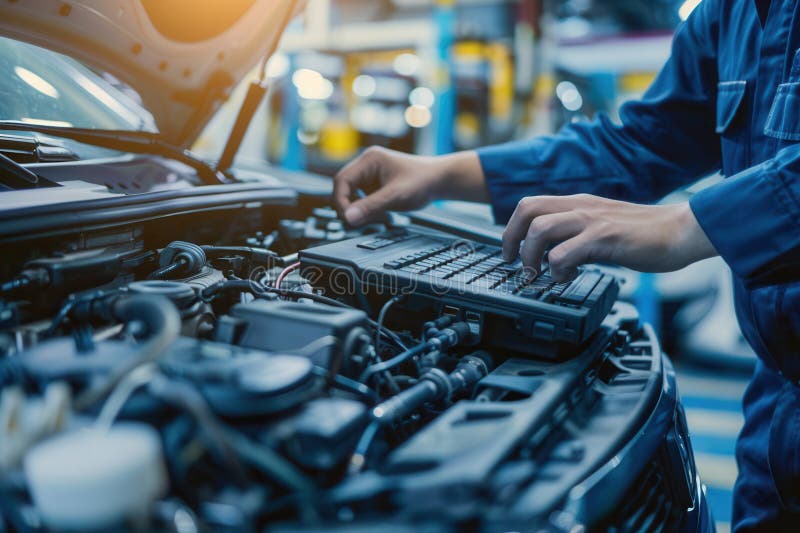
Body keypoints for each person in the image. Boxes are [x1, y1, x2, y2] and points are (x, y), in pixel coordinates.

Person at [332, 0, 800, 530]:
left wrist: (684, 226)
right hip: (776, 403)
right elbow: (639, 145)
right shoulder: (730, 14)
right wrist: (442, 173)